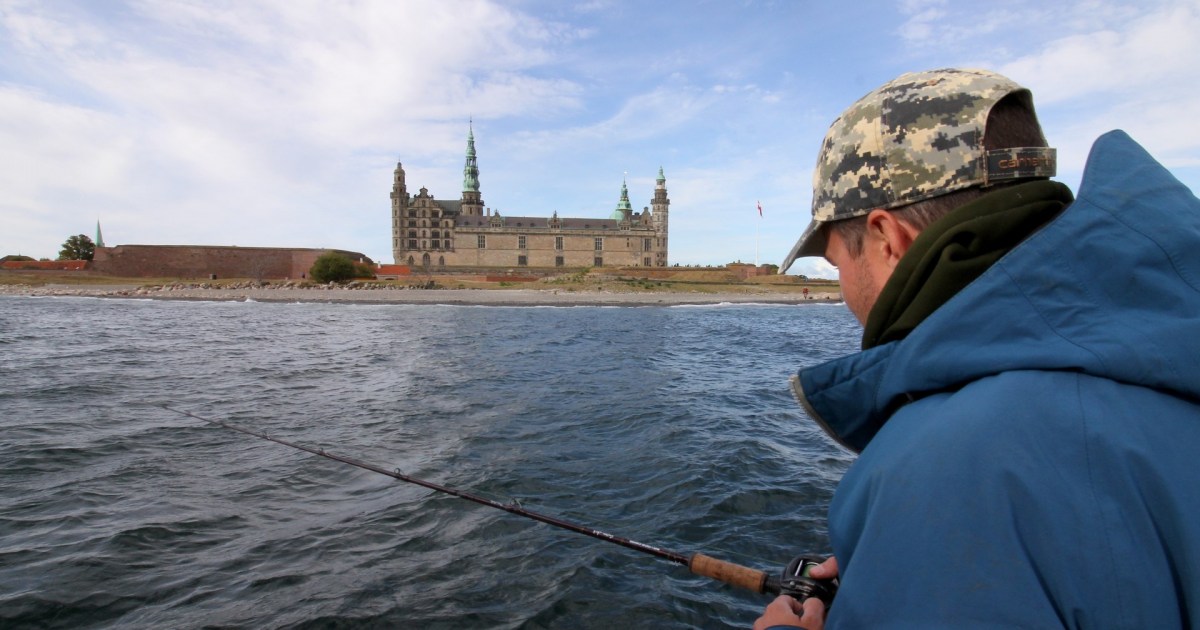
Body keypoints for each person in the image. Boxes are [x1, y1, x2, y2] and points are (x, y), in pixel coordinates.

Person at [756, 68, 1200, 628]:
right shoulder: (1168, 358)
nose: (843, 287)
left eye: (838, 260)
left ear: (887, 239)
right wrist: (906, 563)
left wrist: (923, 539)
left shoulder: (945, 471)